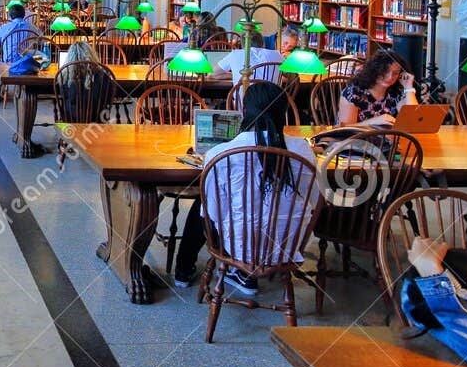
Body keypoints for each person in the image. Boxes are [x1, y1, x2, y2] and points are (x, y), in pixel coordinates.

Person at [170, 80, 321, 295]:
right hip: (285, 248)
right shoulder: (304, 150)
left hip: (239, 247)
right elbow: (313, 201)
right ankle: (242, 273)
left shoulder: (221, 153)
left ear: (245, 110)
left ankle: (185, 271)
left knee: (201, 206)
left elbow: (211, 212)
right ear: (284, 112)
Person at [337, 49, 417, 126]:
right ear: (374, 70)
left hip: (384, 138)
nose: (390, 77)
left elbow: (413, 119)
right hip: (354, 139)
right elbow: (344, 128)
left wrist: (408, 87)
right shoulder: (354, 92)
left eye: (395, 73)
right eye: (385, 71)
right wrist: (373, 122)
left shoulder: (395, 91)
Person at [211, 26, 300, 82]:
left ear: (242, 45)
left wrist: (238, 75)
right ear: (263, 44)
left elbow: (213, 74)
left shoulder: (235, 54)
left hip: (242, 106)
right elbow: (294, 78)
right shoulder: (277, 55)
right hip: (271, 106)